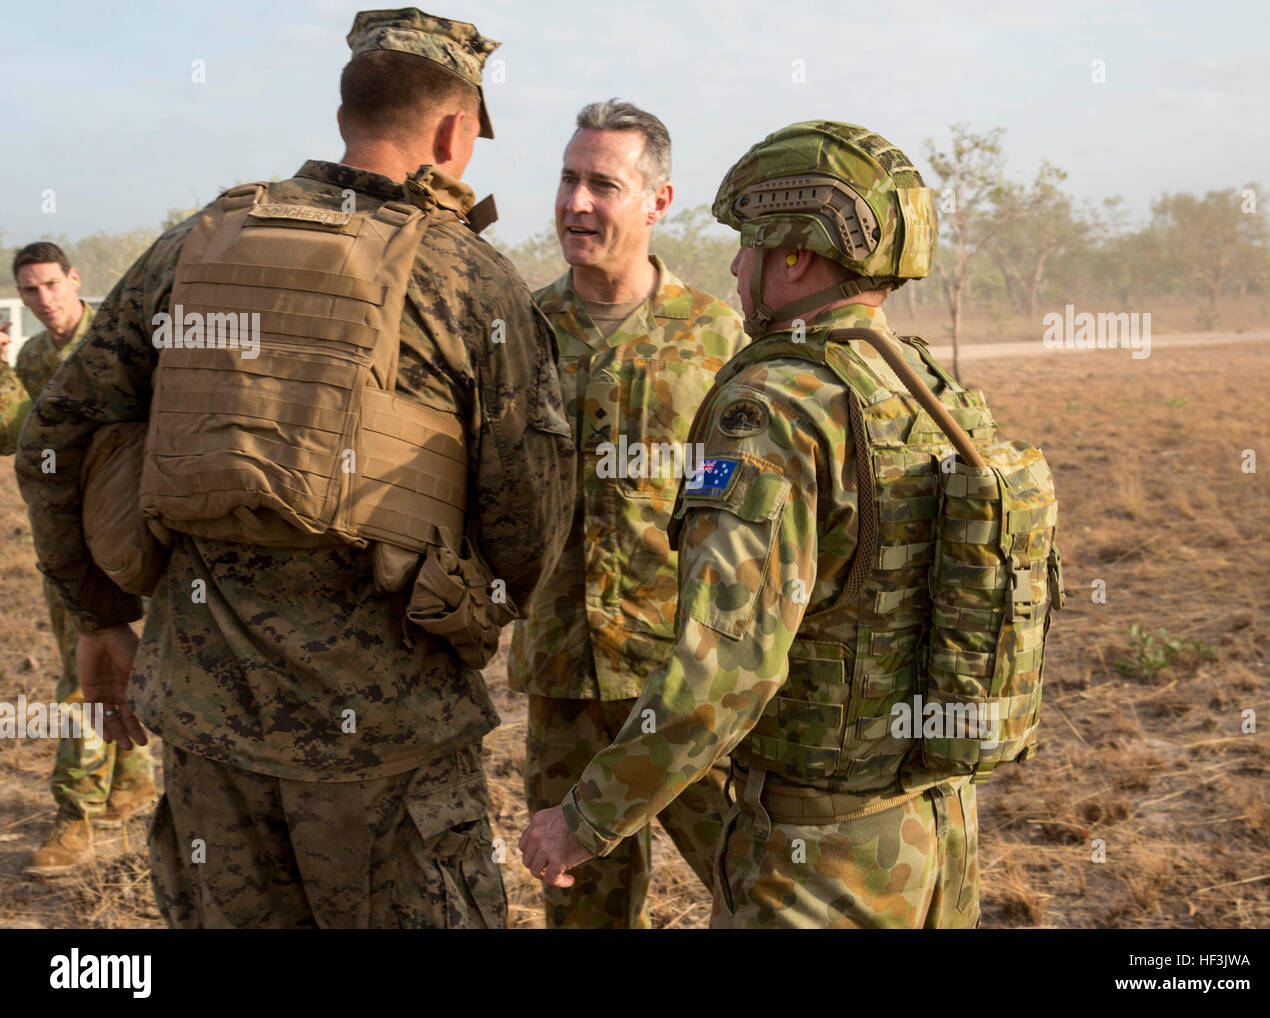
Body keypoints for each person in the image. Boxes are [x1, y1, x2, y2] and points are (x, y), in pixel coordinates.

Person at [16, 8, 574, 928]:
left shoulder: (196, 247)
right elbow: (526, 525)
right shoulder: (471, 280)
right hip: (390, 747)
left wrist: (97, 618)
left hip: (207, 736)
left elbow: (53, 441)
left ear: (348, 109)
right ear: (452, 131)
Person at [521, 121, 1016, 928]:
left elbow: (731, 667)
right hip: (932, 828)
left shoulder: (775, 403)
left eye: (749, 243)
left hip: (814, 849)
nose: (734, 263)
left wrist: (583, 820)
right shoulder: (927, 388)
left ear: (794, 254)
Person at [507, 99, 746, 928]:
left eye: (602, 184)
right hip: (563, 685)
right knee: (584, 916)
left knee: (756, 889)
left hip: (680, 687)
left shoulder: (717, 338)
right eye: (568, 180)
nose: (576, 202)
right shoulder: (521, 332)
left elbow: (755, 516)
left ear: (658, 200)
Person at [2, 243, 157, 877]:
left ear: (75, 280)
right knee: (86, 656)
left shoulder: (119, 338)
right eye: (29, 291)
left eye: (50, 286)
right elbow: (19, 436)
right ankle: (130, 781)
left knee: (83, 675)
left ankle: (76, 814)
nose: (43, 301)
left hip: (129, 525)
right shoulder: (37, 357)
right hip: (67, 534)